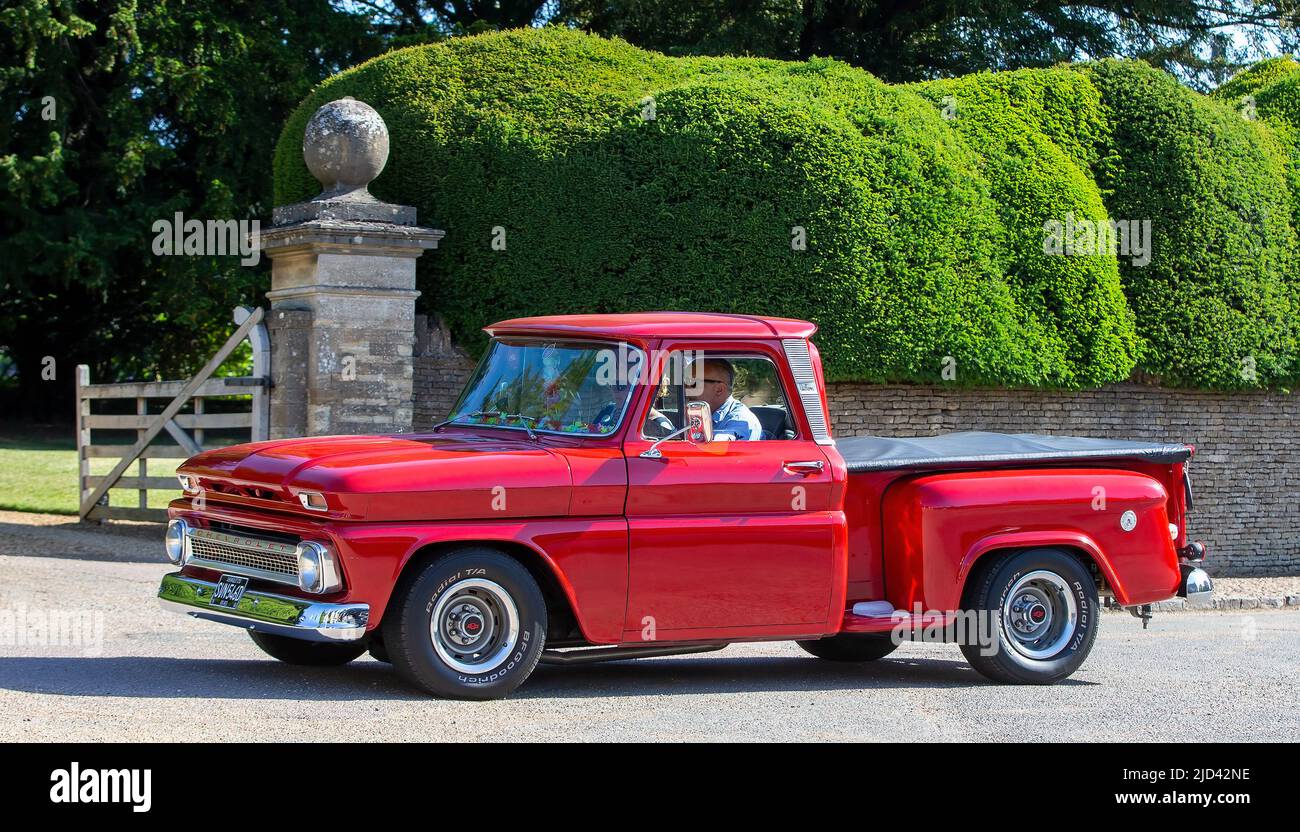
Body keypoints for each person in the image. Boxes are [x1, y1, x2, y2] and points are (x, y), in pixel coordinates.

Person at [690, 358, 762, 441]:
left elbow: (720, 451)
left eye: (694, 384)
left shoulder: (740, 421)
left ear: (719, 389)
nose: (686, 389)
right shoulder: (699, 414)